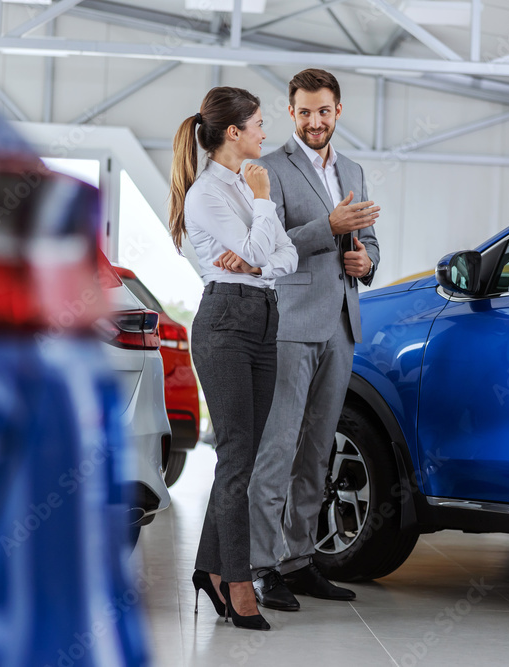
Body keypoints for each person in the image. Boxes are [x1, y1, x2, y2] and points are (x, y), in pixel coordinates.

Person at [248, 69, 380, 611]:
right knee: (276, 450)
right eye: (304, 112)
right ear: (291, 113)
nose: (314, 121)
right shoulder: (269, 169)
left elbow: (368, 240)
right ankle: (259, 568)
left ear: (338, 111)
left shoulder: (352, 169)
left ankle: (299, 560)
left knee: (318, 451)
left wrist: (367, 260)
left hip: (342, 325)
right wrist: (328, 225)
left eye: (323, 111)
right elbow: (268, 246)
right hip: (292, 323)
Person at [169, 86, 298, 631]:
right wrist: (263, 207)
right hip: (224, 323)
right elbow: (252, 251)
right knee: (237, 457)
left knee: (243, 454)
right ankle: (238, 581)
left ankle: (209, 568)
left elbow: (283, 257)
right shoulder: (208, 193)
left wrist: (255, 256)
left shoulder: (244, 188)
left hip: (263, 318)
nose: (265, 134)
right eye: (259, 124)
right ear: (233, 133)